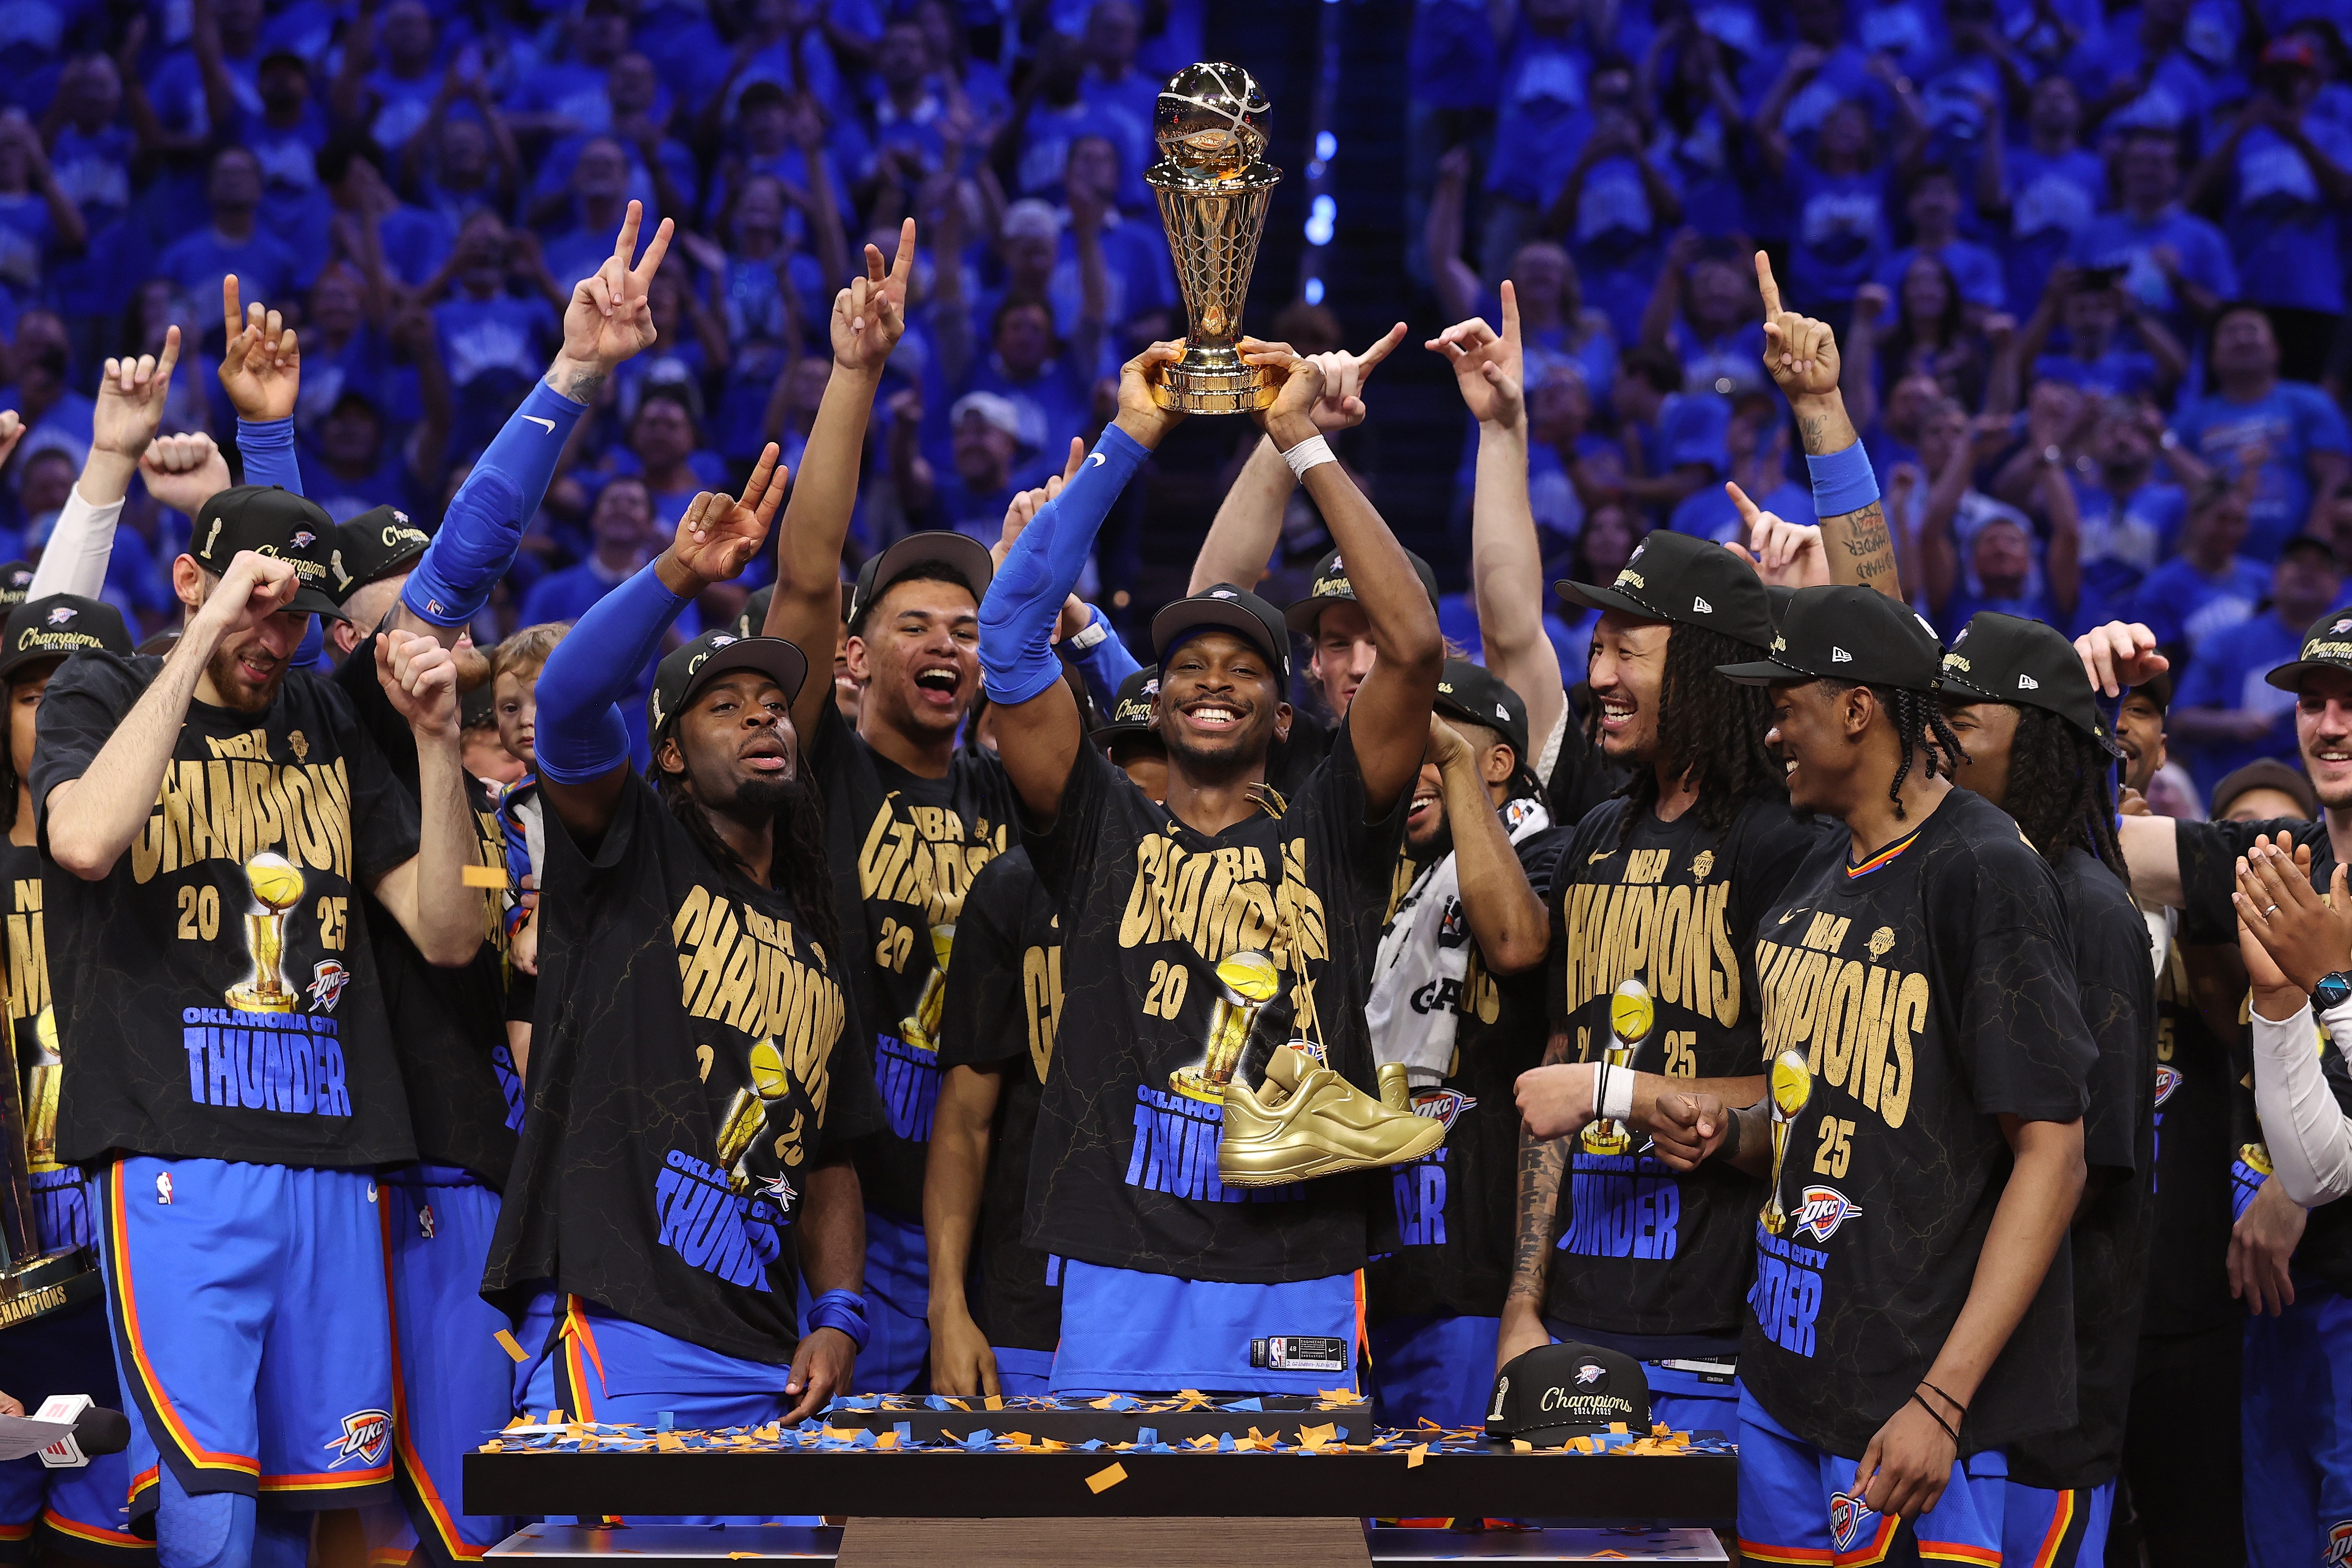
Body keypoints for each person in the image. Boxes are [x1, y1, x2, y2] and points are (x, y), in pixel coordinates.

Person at [978, 335, 1443, 1395]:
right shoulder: (1100, 825)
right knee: (1115, 1542)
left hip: (1298, 1257)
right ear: (1156, 693)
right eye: (1186, 664)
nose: (1210, 682)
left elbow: (1413, 646)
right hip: (1118, 1251)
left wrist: (1301, 446)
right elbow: (1007, 632)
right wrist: (1134, 430)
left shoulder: (1330, 831)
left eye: (1242, 668)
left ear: (1283, 717)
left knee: (1296, 1545)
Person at [32, 478, 480, 1568]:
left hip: (336, 1153)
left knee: (305, 1506)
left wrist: (437, 742)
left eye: (291, 616)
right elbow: (86, 838)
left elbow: (452, 930)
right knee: (209, 1502)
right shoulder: (99, 688)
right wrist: (198, 641)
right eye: (255, 607)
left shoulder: (324, 720)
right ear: (191, 582)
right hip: (177, 1156)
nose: (272, 639)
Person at [1639, 585, 2093, 1561]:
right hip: (1784, 1373)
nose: (1773, 736)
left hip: (1915, 1403)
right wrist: (1734, 1131)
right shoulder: (1809, 880)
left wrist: (1943, 1397)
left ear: (1857, 708)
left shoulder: (1983, 870)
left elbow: (2054, 1157)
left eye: (1787, 707)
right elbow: (1819, 1112)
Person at [482, 451, 877, 1521]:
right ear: (663, 753)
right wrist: (676, 572)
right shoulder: (629, 852)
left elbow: (832, 1144)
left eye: (774, 704)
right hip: (624, 1327)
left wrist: (839, 1310)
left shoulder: (816, 931)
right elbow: (564, 705)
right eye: (725, 707)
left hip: (769, 1351)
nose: (764, 718)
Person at [756, 225, 1022, 1396]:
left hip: (986, 1215)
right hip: (841, 1210)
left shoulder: (1006, 793)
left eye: (965, 630)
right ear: (860, 655)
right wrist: (855, 375)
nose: (945, 645)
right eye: (915, 624)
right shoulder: (820, 766)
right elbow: (807, 577)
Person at [2098, 611, 2352, 1568]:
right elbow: (2096, 846)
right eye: (2314, 704)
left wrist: (2298, 1188)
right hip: (2274, 1316)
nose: (2329, 726)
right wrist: (2094, 710)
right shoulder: (2277, 861)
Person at [1934, 612, 2156, 1567]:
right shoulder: (1974, 875)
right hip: (1963, 1361)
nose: (1934, 740)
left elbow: (2087, 1167)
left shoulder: (2093, 908)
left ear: (2036, 737)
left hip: (2052, 1387)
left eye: (1962, 721)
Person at [926, 664, 1168, 1399]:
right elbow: (966, 1121)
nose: (1149, 820)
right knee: (1026, 1516)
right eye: (1133, 793)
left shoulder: (1254, 902)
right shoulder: (1011, 887)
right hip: (1027, 1298)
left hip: (1182, 1305)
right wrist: (948, 1308)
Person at [1362, 660, 1556, 1430]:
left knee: (1460, 1536)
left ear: (1499, 761)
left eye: (1433, 740)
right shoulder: (1395, 884)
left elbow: (1513, 939)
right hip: (1384, 1269)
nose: (1413, 759)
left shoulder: (1549, 855)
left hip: (1478, 1285)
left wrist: (1454, 764)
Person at [0, 591, 147, 1567]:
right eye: (32, 697)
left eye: (81, 696)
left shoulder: (182, 882)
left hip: (141, 1318)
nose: (56, 719)